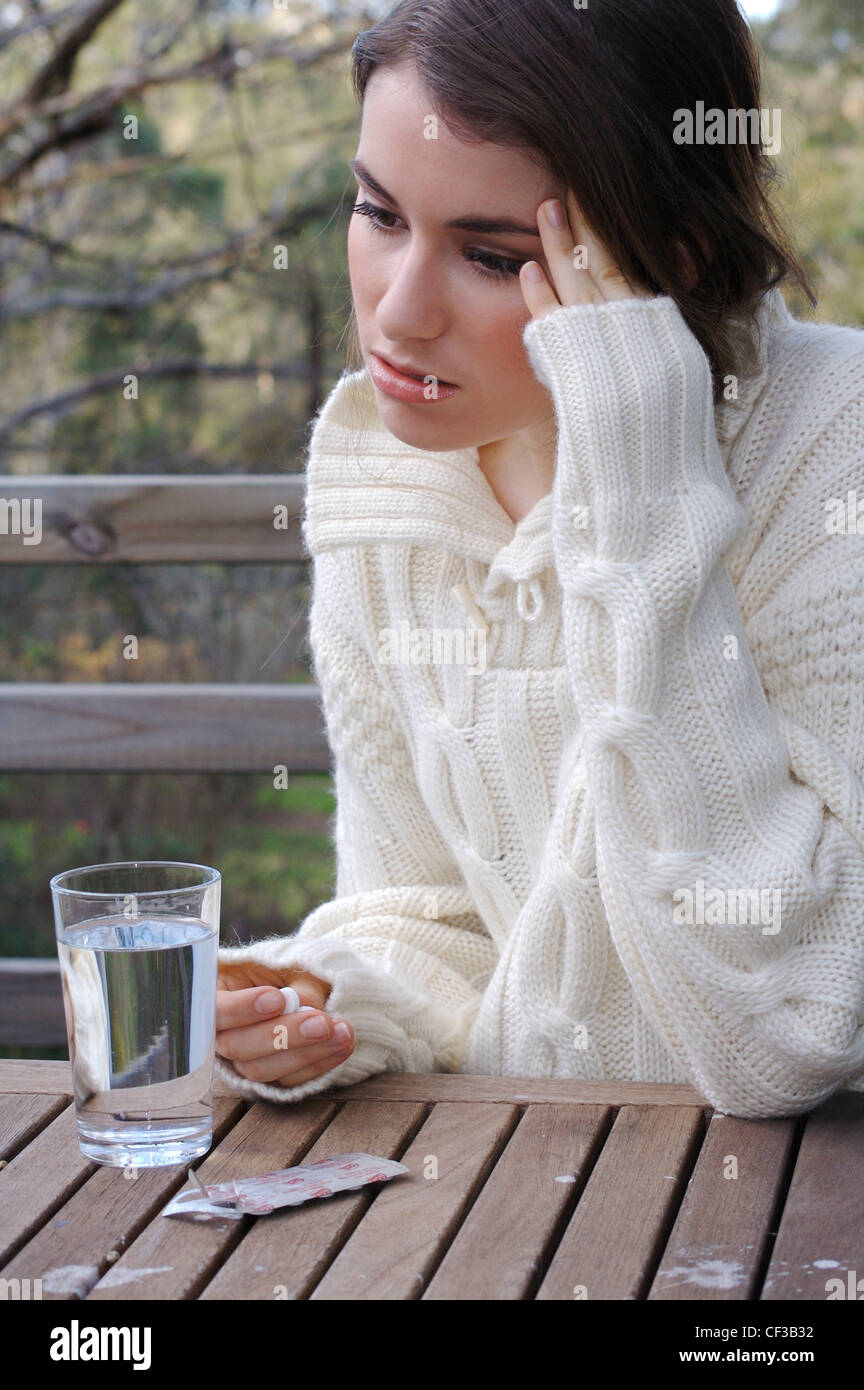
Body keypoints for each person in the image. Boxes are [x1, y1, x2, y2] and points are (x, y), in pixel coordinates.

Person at [214, 0, 864, 1119]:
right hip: (509, 1193)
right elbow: (433, 902)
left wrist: (641, 492)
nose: (399, 316)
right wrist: (339, 1004)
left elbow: (792, 1032)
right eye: (377, 213)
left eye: (489, 254)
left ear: (668, 256)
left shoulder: (833, 448)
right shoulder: (385, 471)